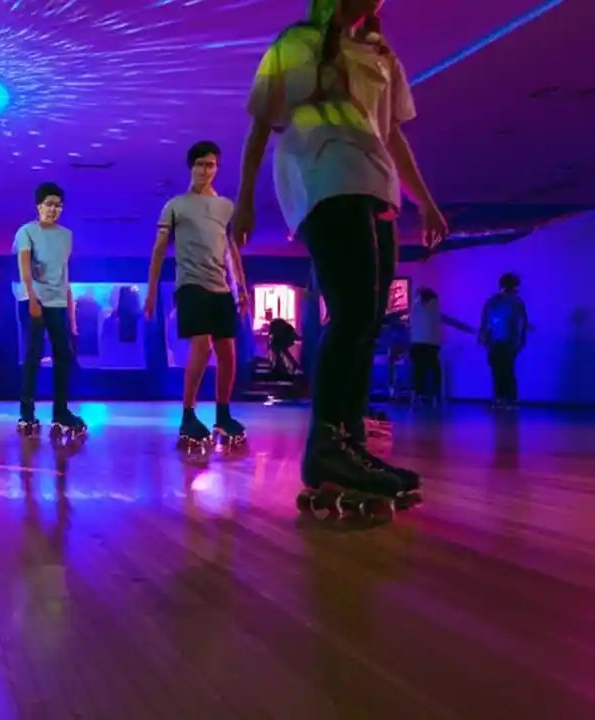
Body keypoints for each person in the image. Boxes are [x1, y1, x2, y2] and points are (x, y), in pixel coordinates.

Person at [234, 0, 448, 502]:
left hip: (379, 186)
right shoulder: (295, 44)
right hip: (322, 177)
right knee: (352, 311)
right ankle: (327, 443)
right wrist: (244, 200)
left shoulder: (381, 55)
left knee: (369, 319)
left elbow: (391, 134)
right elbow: (261, 125)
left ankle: (348, 441)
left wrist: (427, 202)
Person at [144, 141, 249, 447]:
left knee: (228, 352)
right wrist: (151, 291)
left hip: (220, 288)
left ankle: (223, 413)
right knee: (201, 347)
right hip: (190, 285)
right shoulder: (176, 205)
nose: (206, 170)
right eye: (201, 164)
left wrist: (240, 287)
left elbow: (232, 251)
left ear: (217, 168)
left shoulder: (226, 207)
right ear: (191, 167)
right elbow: (159, 251)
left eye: (211, 164)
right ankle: (188, 413)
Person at [14, 182, 85, 436]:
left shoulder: (66, 235)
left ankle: (61, 411)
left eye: (58, 205)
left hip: (58, 300)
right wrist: (32, 297)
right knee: (33, 354)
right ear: (38, 206)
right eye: (49, 204)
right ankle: (27, 411)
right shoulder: (27, 231)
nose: (53, 209)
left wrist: (71, 313)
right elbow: (24, 267)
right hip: (33, 299)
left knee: (63, 355)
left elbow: (65, 273)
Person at [480, 272, 527, 409]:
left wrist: (484, 336)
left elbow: (486, 321)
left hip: (500, 341)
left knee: (501, 371)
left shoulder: (495, 301)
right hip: (505, 341)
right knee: (505, 370)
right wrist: (520, 339)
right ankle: (506, 399)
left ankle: (502, 399)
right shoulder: (514, 301)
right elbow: (521, 322)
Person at [409, 287, 443, 403]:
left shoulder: (414, 308)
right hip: (431, 344)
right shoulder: (434, 308)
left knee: (418, 371)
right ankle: (435, 396)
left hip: (416, 344)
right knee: (435, 371)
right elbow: (448, 320)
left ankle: (416, 395)